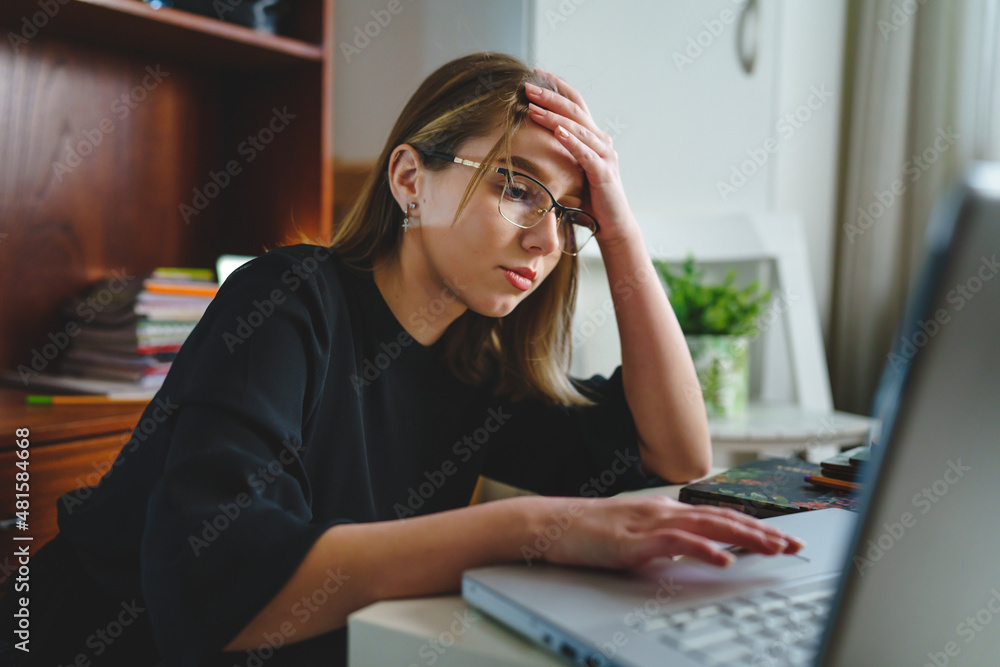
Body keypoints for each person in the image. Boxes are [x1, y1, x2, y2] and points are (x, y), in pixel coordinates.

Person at [0, 52, 804, 666]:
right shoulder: (285, 300)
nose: (547, 239)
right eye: (518, 187)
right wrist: (536, 527)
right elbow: (215, 590)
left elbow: (677, 450)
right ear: (411, 178)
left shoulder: (477, 367)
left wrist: (620, 223)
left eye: (569, 214)